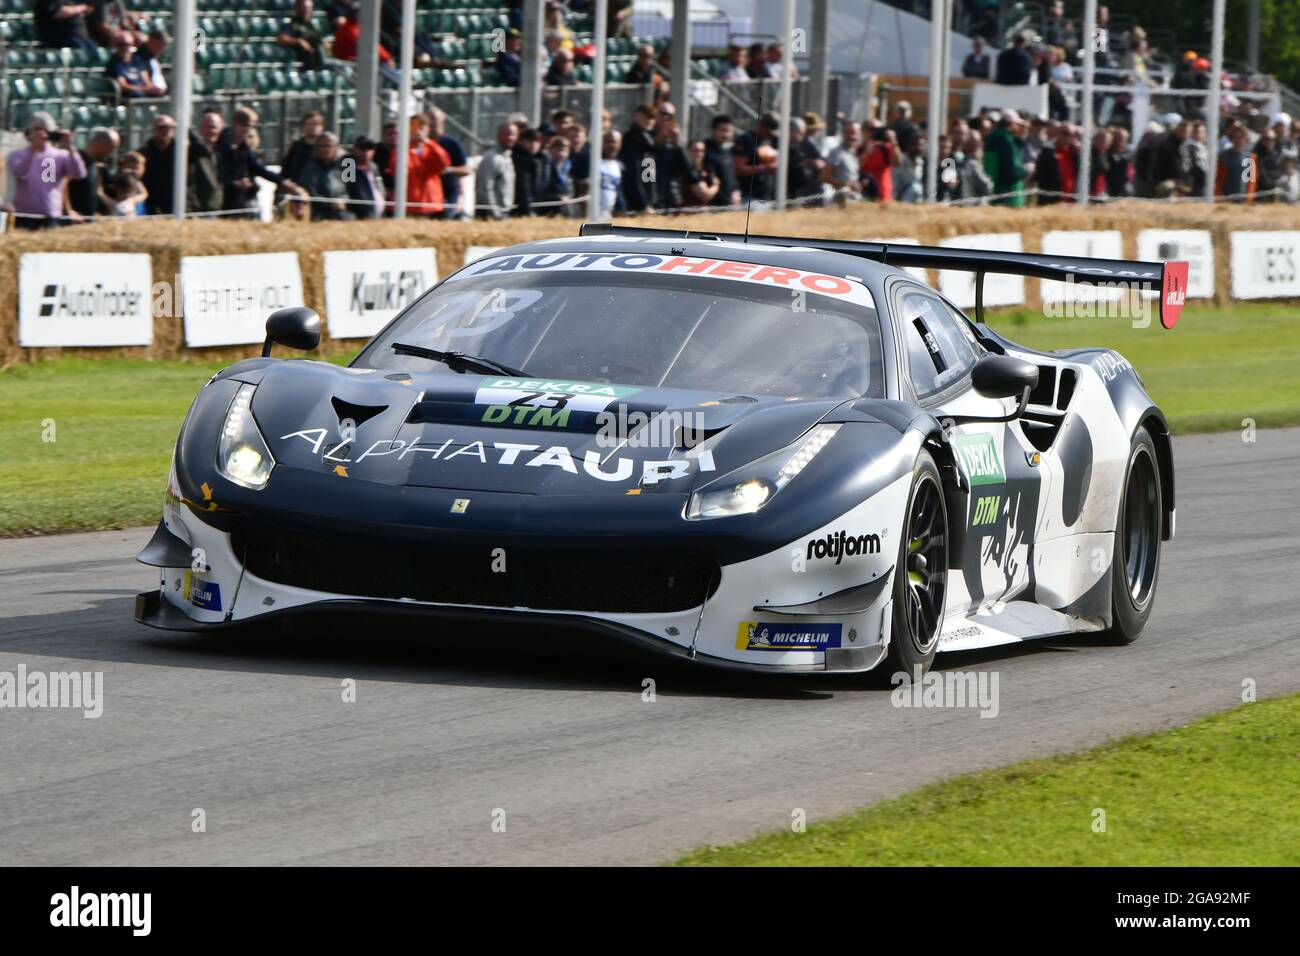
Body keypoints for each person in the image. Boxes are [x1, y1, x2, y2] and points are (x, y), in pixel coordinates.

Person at [6, 112, 86, 228]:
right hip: (24, 216)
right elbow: (20, 173)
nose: (42, 134)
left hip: (50, 217)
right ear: (29, 132)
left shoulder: (60, 155)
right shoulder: (17, 155)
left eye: (45, 130)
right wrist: (33, 151)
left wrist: (71, 147)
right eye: (37, 130)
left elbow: (79, 174)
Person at [219, 107, 292, 216]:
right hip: (224, 202)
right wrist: (235, 184)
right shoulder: (222, 145)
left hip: (242, 201)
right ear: (238, 124)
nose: (251, 130)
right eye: (250, 126)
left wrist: (282, 181)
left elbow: (259, 168)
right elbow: (218, 176)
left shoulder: (244, 147)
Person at [389, 114, 450, 216]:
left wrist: (428, 142)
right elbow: (395, 169)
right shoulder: (401, 150)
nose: (417, 131)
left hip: (430, 203)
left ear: (427, 129)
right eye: (413, 127)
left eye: (421, 127)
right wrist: (407, 144)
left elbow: (444, 162)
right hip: (408, 204)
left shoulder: (431, 148)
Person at [67, 126, 119, 218]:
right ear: (100, 143)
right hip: (72, 222)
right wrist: (68, 210)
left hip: (86, 223)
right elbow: (61, 185)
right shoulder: (77, 160)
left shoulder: (95, 166)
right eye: (110, 148)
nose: (110, 153)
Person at [299, 132, 352, 219]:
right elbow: (311, 192)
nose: (326, 149)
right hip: (320, 215)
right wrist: (330, 203)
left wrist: (344, 200)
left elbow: (352, 189)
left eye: (330, 146)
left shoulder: (347, 164)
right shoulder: (310, 167)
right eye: (323, 146)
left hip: (344, 213)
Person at [430, 106, 469, 219]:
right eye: (429, 120)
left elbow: (466, 169)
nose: (432, 123)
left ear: (442, 121)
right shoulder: (420, 144)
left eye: (434, 120)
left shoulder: (451, 143)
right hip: (427, 196)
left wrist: (448, 170)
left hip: (448, 195)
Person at [618, 104, 657, 213]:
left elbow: (649, 173)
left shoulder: (649, 138)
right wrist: (643, 203)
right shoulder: (633, 138)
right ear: (637, 117)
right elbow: (633, 174)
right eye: (646, 117)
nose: (650, 120)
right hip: (637, 203)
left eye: (652, 117)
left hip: (648, 199)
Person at [984, 110, 1028, 205]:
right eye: (1017, 124)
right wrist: (1026, 170)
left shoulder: (992, 138)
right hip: (1007, 195)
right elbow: (1010, 172)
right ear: (1011, 124)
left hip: (994, 191)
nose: (1019, 127)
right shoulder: (1006, 142)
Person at [734, 112, 780, 201]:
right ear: (760, 125)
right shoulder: (746, 139)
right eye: (768, 131)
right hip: (749, 195)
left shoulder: (775, 139)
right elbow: (739, 169)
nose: (770, 135)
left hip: (770, 195)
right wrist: (765, 168)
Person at [475, 121, 516, 219]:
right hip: (491, 216)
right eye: (507, 134)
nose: (510, 138)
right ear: (498, 135)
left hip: (503, 213)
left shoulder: (507, 157)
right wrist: (495, 214)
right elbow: (484, 189)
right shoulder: (492, 158)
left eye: (513, 135)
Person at [187, 108, 225, 215]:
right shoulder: (192, 152)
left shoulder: (223, 151)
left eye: (214, 127)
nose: (211, 131)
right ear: (200, 129)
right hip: (198, 210)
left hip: (218, 209)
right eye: (207, 127)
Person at [138, 113, 177, 214]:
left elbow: (203, 150)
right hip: (151, 205)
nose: (166, 130)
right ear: (153, 129)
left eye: (171, 127)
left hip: (176, 204)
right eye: (162, 127)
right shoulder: (143, 153)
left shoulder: (183, 153)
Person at [703, 114, 741, 208]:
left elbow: (731, 178)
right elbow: (710, 180)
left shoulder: (727, 151)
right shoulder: (705, 150)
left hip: (730, 204)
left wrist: (736, 192)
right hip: (713, 206)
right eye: (722, 130)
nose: (726, 134)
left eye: (728, 131)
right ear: (713, 130)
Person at [786, 117, 825, 204]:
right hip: (794, 191)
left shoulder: (807, 143)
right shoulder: (782, 144)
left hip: (810, 189)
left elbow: (821, 162)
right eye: (800, 132)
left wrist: (815, 163)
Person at [344, 136, 386, 219]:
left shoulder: (374, 167)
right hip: (360, 217)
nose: (366, 152)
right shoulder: (349, 165)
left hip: (378, 217)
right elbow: (349, 191)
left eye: (369, 148)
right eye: (362, 148)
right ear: (355, 149)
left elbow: (379, 189)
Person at [280, 111, 326, 186]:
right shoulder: (297, 147)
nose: (311, 127)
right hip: (299, 189)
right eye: (308, 124)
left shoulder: (327, 147)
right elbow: (286, 170)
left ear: (321, 126)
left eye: (314, 124)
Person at [278, 0, 325, 71]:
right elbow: (281, 38)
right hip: (304, 62)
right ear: (297, 8)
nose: (306, 11)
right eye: (304, 8)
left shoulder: (311, 25)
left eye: (309, 8)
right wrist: (298, 40)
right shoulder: (293, 24)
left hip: (319, 60)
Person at [1216, 125, 1256, 202]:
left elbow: (1252, 181)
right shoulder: (1223, 156)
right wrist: (1219, 197)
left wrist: (1248, 199)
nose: (1239, 140)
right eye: (1236, 137)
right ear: (1231, 139)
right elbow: (1218, 179)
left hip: (1242, 200)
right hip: (1226, 198)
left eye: (1241, 137)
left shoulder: (1250, 158)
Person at [536, 136, 574, 216]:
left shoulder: (568, 167)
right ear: (550, 150)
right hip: (548, 210)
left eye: (564, 150)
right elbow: (541, 190)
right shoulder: (544, 166)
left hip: (565, 209)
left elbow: (570, 189)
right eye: (557, 150)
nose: (560, 154)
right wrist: (558, 198)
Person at [823, 120, 862, 199]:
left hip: (856, 200)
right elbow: (824, 176)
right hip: (842, 202)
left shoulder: (856, 151)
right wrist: (845, 184)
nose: (851, 136)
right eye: (848, 132)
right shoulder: (837, 152)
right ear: (843, 134)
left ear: (859, 134)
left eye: (854, 133)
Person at [860, 126, 898, 201]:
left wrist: (893, 142)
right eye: (871, 130)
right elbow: (856, 167)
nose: (874, 133)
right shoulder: (860, 149)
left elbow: (897, 162)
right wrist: (866, 152)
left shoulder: (886, 148)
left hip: (883, 195)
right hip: (864, 195)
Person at [684, 140, 719, 208]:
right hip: (688, 213)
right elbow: (705, 195)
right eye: (696, 150)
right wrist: (716, 186)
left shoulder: (706, 168)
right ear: (689, 151)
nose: (699, 153)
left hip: (703, 213)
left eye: (702, 151)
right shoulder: (686, 169)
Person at [597, 129, 623, 218]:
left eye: (613, 142)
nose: (610, 145)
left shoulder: (619, 166)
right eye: (607, 141)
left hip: (608, 217)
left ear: (619, 144)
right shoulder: (591, 161)